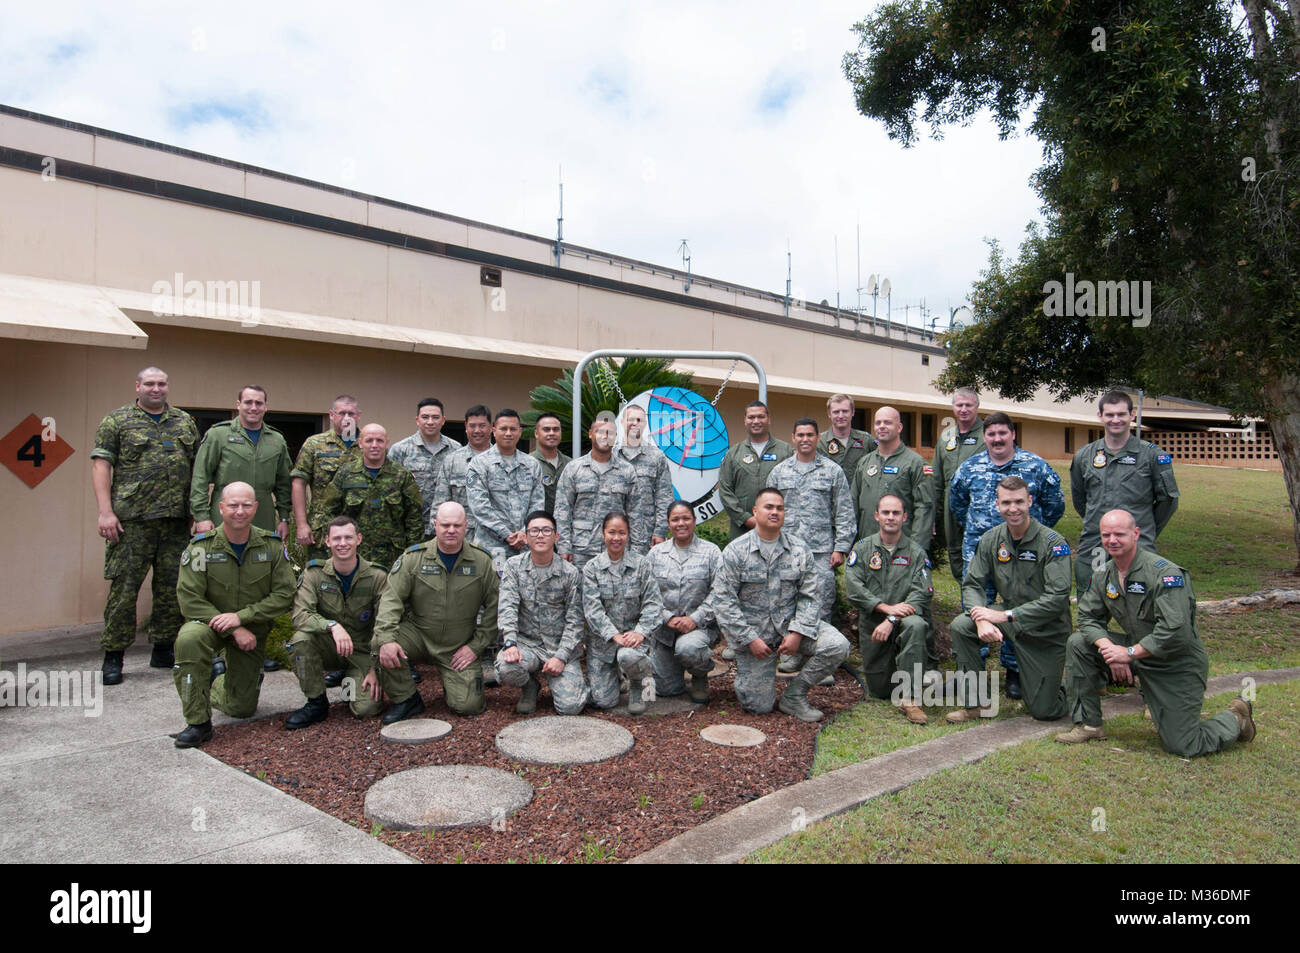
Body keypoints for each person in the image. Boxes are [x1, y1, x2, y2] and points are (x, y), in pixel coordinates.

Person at [1056, 510, 1255, 755]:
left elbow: (1175, 631)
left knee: (1184, 744)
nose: (1112, 540)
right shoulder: (1103, 574)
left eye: (1119, 534)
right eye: (1106, 535)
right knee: (1079, 643)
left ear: (1136, 534)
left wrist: (1129, 653)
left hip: (1175, 664)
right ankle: (1089, 724)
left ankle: (1236, 718)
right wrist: (1108, 648)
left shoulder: (1165, 574)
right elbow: (1087, 617)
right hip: (1138, 652)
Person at [91, 366, 199, 684]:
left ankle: (163, 649)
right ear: (137, 386)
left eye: (162, 383)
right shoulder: (116, 421)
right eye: (149, 383)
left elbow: (197, 469)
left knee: (172, 589)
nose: (156, 389)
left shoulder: (184, 421)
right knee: (124, 592)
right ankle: (114, 656)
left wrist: (196, 511)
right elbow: (101, 465)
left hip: (175, 521)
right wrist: (105, 511)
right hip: (131, 523)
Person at [948, 411, 1066, 698]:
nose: (997, 439)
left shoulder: (1035, 466)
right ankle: (972, 672)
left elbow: (1055, 505)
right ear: (985, 436)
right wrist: (979, 530)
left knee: (1020, 607)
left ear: (1013, 434)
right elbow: (957, 503)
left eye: (1003, 433)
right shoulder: (969, 466)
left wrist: (1033, 535)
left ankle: (1015, 671)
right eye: (991, 434)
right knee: (976, 606)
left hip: (1024, 553)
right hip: (980, 550)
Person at [170, 482, 296, 748]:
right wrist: (233, 628)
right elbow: (190, 600)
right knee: (189, 639)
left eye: (246, 505)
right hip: (208, 625)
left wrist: (243, 618)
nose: (240, 511)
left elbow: (284, 595)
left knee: (241, 708)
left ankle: (218, 680)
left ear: (256, 507)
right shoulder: (200, 549)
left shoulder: (271, 546)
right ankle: (198, 723)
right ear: (221, 508)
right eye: (233, 505)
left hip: (252, 629)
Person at [709, 488, 850, 722]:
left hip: (791, 627)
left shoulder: (799, 549)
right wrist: (749, 640)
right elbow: (723, 601)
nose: (775, 512)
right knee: (757, 706)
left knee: (837, 645)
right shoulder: (736, 551)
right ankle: (752, 678)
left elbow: (811, 596)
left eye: (780, 508)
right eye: (768, 507)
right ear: (755, 511)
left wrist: (797, 632)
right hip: (756, 637)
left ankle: (795, 695)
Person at [946, 476, 1071, 723]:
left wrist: (1004, 615)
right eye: (1006, 503)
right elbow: (973, 584)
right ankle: (976, 704)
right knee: (962, 625)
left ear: (1030, 501)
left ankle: (1073, 687)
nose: (1012, 508)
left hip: (1046, 631)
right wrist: (979, 617)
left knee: (1044, 711)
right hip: (1010, 621)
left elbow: (1057, 598)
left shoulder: (1053, 543)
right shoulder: (992, 539)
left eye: (1018, 502)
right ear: (997, 504)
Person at [372, 502, 499, 723]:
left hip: (458, 644)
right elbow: (391, 600)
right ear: (435, 525)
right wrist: (386, 638)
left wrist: (475, 646)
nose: (451, 530)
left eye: (457, 525)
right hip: (418, 635)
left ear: (466, 526)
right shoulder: (414, 559)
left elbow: (496, 607)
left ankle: (452, 683)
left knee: (468, 706)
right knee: (380, 644)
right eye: (445, 525)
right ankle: (407, 699)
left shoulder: (481, 562)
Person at [1070, 390, 1180, 592]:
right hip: (1095, 544)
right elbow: (1079, 498)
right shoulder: (1084, 456)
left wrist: (1145, 529)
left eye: (1121, 414)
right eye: (1109, 414)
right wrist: (1097, 521)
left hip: (1138, 544)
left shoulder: (1152, 455)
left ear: (1132, 415)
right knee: (1091, 601)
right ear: (1100, 416)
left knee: (1141, 601)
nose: (1115, 420)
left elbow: (1169, 500)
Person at [284, 516, 387, 728]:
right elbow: (300, 614)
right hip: (330, 647)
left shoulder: (377, 576)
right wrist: (331, 626)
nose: (343, 543)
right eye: (337, 538)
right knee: (300, 640)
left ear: (358, 539)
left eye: (348, 537)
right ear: (328, 542)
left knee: (366, 710)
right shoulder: (314, 574)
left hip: (361, 653)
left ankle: (349, 686)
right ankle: (316, 703)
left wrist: (374, 668)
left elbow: (385, 624)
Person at [844, 494, 935, 723]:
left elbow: (921, 594)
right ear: (877, 516)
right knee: (880, 690)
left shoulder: (916, 553)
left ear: (904, 517)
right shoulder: (863, 549)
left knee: (916, 625)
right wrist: (885, 609)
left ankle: (911, 699)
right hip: (875, 626)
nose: (890, 517)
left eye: (896, 513)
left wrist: (892, 618)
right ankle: (901, 677)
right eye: (886, 512)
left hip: (904, 620)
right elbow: (854, 589)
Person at [495, 511, 589, 715]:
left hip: (558, 646)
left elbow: (576, 620)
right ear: (526, 537)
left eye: (546, 530)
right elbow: (507, 606)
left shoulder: (570, 572)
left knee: (570, 708)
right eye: (534, 531)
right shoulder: (513, 566)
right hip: (527, 644)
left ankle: (572, 683)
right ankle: (530, 686)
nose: (540, 535)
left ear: (556, 537)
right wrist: (510, 642)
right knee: (506, 667)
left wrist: (561, 657)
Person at [766, 418, 855, 622]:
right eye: (800, 435)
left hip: (821, 551)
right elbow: (767, 511)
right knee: (784, 596)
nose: (805, 439)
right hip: (785, 547)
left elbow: (844, 511)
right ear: (793, 438)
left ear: (817, 437)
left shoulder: (833, 472)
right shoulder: (779, 472)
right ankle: (789, 644)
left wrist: (840, 547)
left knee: (822, 599)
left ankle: (818, 644)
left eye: (809, 435)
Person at [310, 424, 424, 572]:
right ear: (360, 443)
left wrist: (412, 556)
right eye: (369, 440)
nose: (374, 445)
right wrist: (335, 548)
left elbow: (414, 518)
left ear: (387, 442)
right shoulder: (345, 474)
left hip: (394, 557)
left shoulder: (402, 476)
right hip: (354, 556)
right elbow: (328, 513)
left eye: (379, 441)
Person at [582, 511, 664, 715]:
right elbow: (592, 610)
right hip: (604, 642)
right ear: (603, 534)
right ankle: (616, 677)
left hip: (635, 639)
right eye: (611, 532)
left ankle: (640, 683)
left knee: (629, 656)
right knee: (602, 701)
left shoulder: (642, 564)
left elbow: (653, 604)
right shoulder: (592, 568)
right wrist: (614, 635)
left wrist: (640, 632)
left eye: (622, 533)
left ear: (628, 535)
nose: (616, 538)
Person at [647, 501, 723, 704]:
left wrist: (695, 619)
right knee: (667, 690)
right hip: (664, 631)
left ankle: (699, 674)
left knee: (688, 648)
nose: (681, 523)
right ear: (668, 523)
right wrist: (667, 618)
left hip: (699, 628)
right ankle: (675, 666)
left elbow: (720, 592)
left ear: (695, 521)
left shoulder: (711, 552)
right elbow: (647, 595)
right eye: (675, 519)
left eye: (686, 518)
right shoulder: (655, 554)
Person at [190, 385, 291, 537]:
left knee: (261, 558)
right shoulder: (218, 435)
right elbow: (200, 477)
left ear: (266, 407)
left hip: (262, 515)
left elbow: (284, 483)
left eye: (259, 403)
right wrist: (201, 517)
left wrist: (284, 518)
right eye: (248, 402)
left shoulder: (276, 440)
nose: (253, 407)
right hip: (224, 515)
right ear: (238, 405)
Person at [554, 412, 636, 568]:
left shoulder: (627, 471)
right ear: (590, 434)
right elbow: (562, 510)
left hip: (617, 549)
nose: (605, 436)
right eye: (600, 431)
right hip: (581, 551)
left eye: (610, 433)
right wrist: (564, 547)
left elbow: (635, 514)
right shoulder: (574, 469)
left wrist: (636, 549)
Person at [467, 409, 545, 572]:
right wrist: (507, 535)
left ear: (520, 432)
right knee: (492, 595)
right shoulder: (479, 464)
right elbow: (480, 507)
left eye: (513, 429)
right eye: (503, 429)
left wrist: (525, 533)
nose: (508, 433)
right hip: (490, 547)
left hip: (525, 547)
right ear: (494, 430)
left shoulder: (532, 465)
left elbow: (537, 504)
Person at [850, 405, 935, 545]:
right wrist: (851, 542)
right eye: (878, 423)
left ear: (899, 427)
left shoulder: (916, 463)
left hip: (902, 546)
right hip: (867, 545)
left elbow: (924, 508)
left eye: (888, 422)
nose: (882, 426)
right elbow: (853, 503)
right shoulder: (865, 462)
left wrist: (916, 549)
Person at [290, 394, 361, 560]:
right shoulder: (314, 444)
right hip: (323, 529)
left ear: (359, 416)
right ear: (331, 415)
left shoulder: (369, 443)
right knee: (321, 579)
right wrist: (301, 524)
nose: (346, 418)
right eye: (341, 413)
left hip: (361, 527)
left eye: (351, 414)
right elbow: (298, 483)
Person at [717, 400, 793, 543]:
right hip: (743, 530)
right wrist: (746, 519)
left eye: (761, 416)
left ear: (768, 419)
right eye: (751, 417)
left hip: (779, 529)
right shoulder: (733, 454)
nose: (756, 421)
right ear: (745, 421)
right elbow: (725, 490)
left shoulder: (786, 452)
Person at [388, 397, 463, 536]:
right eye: (425, 417)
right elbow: (389, 489)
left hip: (447, 528)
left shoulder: (456, 449)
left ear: (443, 420)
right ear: (417, 420)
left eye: (435, 417)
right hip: (411, 527)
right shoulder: (400, 450)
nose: (430, 422)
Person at [932, 387, 985, 581]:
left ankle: (980, 603)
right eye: (959, 405)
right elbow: (936, 479)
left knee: (980, 554)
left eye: (968, 405)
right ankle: (967, 600)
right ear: (953, 407)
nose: (963, 409)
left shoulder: (988, 434)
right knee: (955, 552)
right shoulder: (946, 437)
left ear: (977, 407)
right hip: (949, 506)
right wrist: (934, 515)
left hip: (978, 506)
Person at [617, 403, 674, 554]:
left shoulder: (656, 457)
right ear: (622, 422)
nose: (635, 423)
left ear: (644, 424)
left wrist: (660, 531)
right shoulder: (610, 455)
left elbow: (664, 496)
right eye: (630, 419)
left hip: (645, 533)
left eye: (639, 420)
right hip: (613, 532)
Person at [434, 405, 493, 540]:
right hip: (461, 538)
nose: (477, 430)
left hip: (496, 538)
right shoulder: (452, 461)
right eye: (472, 426)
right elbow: (440, 502)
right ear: (466, 427)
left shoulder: (502, 460)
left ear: (491, 426)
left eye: (482, 425)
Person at [818, 393, 876, 476]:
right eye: (836, 412)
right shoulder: (819, 442)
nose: (841, 416)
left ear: (852, 412)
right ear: (829, 414)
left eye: (845, 411)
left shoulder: (866, 439)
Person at [529, 412, 570, 513]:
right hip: (538, 525)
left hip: (565, 526)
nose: (552, 433)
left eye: (556, 429)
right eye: (546, 429)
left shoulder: (571, 464)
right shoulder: (528, 463)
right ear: (536, 434)